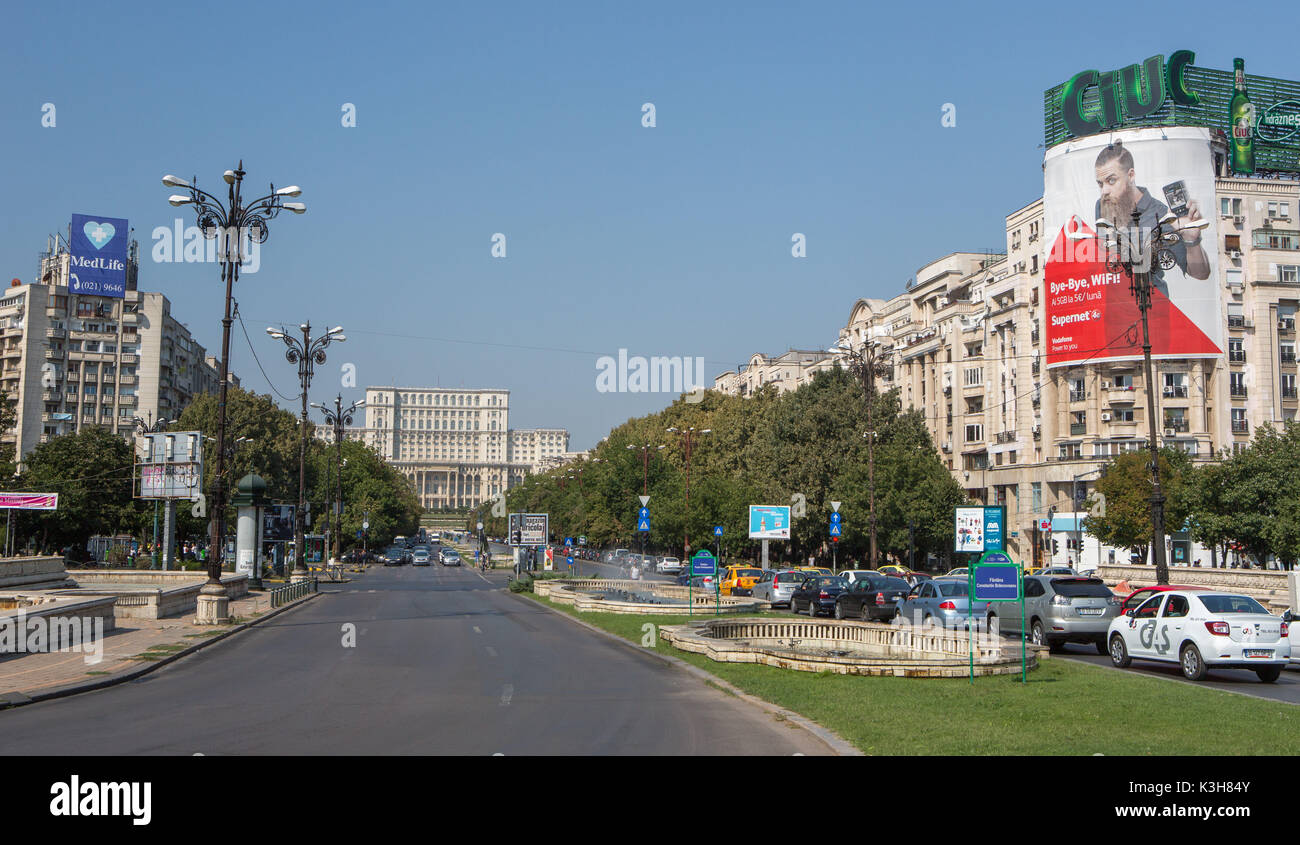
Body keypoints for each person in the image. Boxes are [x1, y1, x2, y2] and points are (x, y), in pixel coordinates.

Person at [1092, 139, 1210, 294]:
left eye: (1111, 180)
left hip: (1155, 309)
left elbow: (1200, 273)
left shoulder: (1162, 215)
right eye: (1100, 184)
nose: (1104, 191)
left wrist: (1192, 239)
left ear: (1131, 175)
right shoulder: (1102, 206)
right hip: (1116, 310)